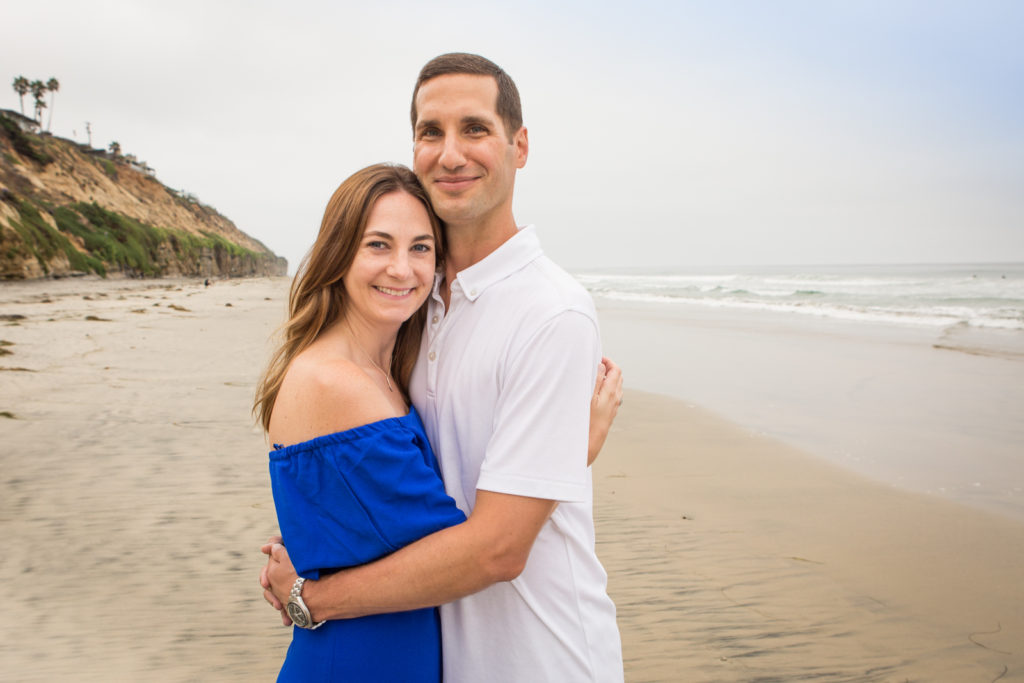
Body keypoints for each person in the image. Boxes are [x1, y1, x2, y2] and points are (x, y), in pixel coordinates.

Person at [262, 53, 625, 682]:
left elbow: (498, 547)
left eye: (475, 129)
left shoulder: (552, 313)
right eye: (431, 131)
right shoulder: (413, 307)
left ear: (520, 145)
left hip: (540, 655)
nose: (451, 153)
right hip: (440, 654)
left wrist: (312, 598)